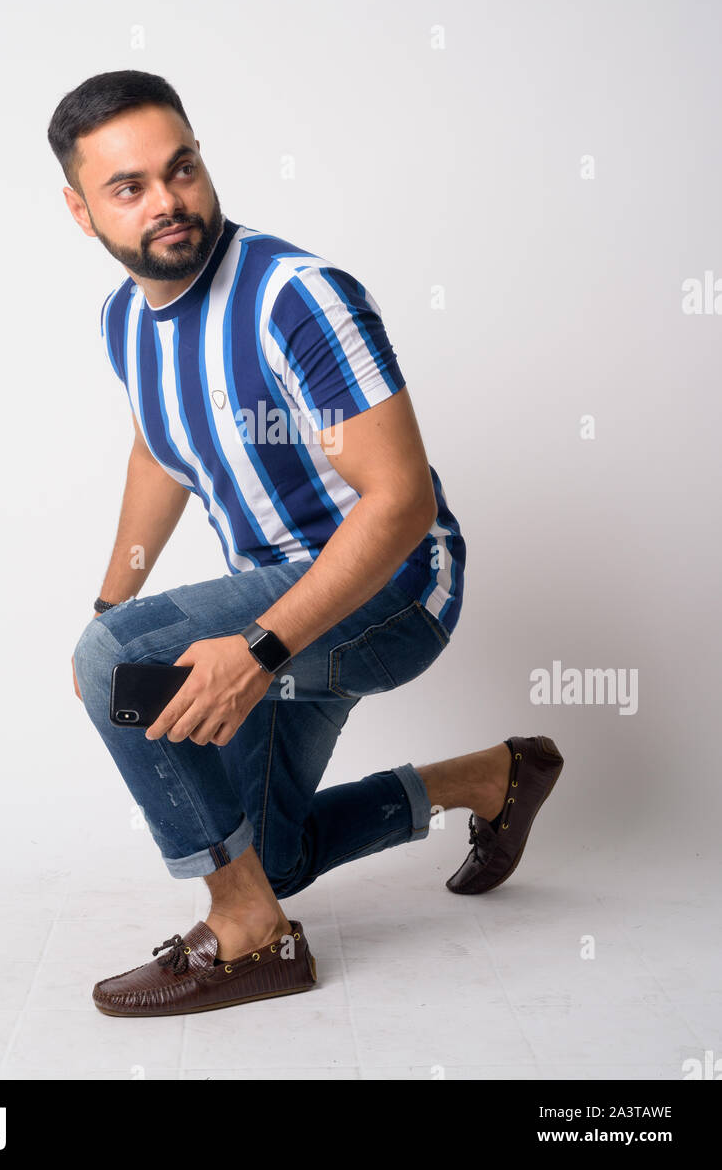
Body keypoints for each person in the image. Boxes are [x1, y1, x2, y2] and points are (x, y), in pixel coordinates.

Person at [46, 70, 564, 1017]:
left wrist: (255, 651)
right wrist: (111, 605)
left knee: (119, 665)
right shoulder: (127, 320)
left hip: (398, 590)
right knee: (268, 846)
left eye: (182, 169)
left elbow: (400, 502)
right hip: (286, 600)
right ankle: (492, 777)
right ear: (81, 212)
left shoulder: (295, 297)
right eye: (129, 187)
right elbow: (158, 453)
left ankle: (249, 932)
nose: (168, 203)